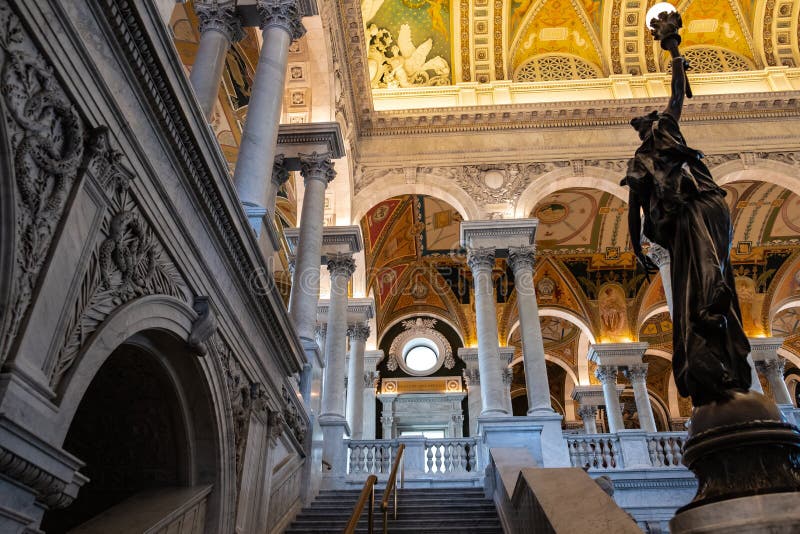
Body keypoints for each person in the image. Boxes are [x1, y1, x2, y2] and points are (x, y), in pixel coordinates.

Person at [622, 48, 751, 406]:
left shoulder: (663, 136)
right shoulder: (650, 152)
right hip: (701, 209)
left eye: (647, 124)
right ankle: (713, 310)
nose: (650, 127)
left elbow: (676, 96)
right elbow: (634, 208)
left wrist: (676, 53)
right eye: (648, 125)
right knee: (701, 269)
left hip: (697, 206)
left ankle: (713, 302)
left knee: (706, 263)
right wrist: (636, 248)